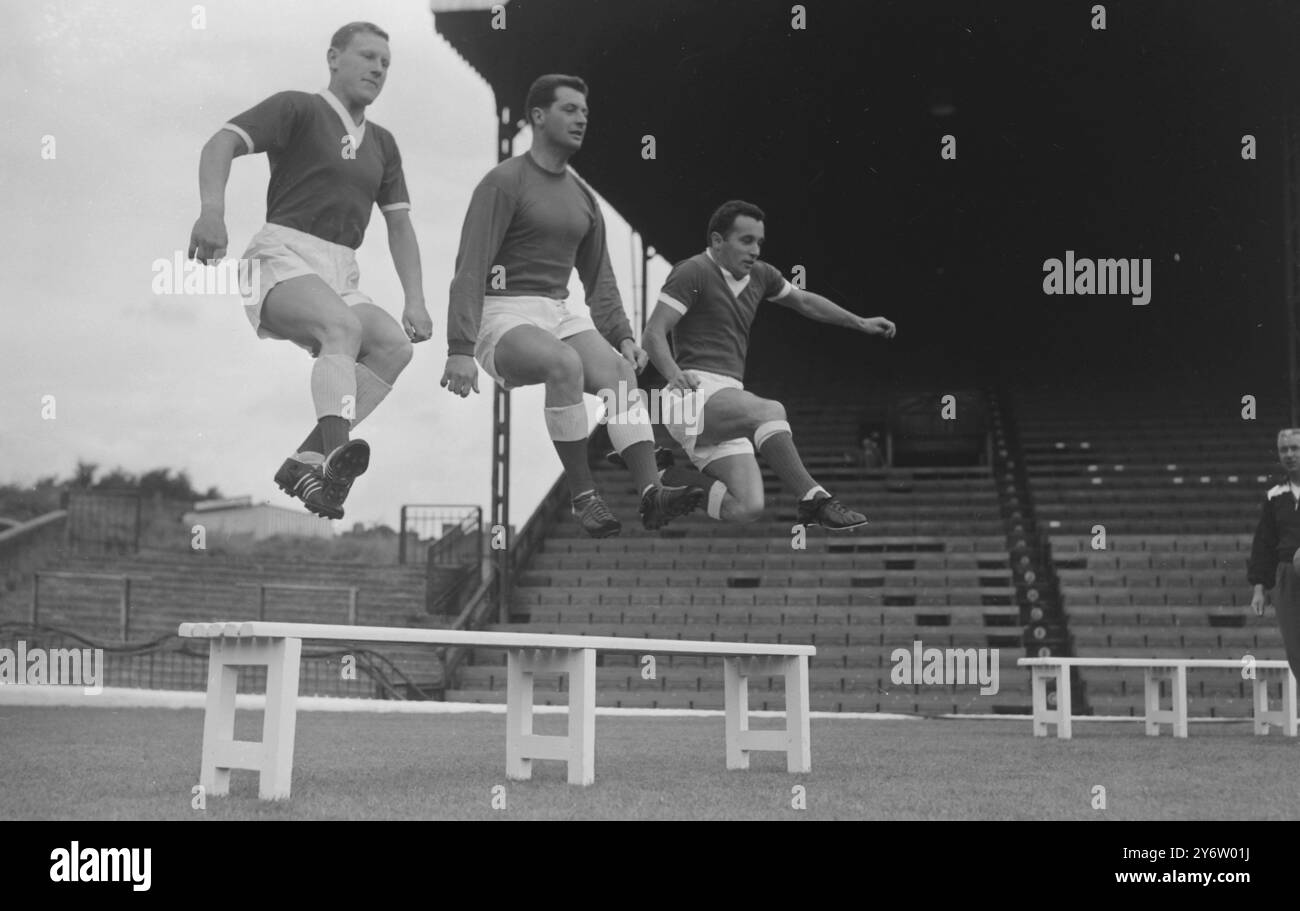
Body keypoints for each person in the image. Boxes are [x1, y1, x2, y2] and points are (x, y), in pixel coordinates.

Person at [440, 74, 703, 537]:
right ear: (538, 116)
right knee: (564, 364)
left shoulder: (582, 197)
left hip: (555, 312)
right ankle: (584, 497)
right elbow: (470, 266)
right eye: (569, 109)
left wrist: (622, 335)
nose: (581, 118)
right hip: (501, 313)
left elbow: (600, 277)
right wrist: (459, 348)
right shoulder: (503, 182)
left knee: (620, 374)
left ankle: (652, 492)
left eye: (585, 111)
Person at [189, 21, 430, 520]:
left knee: (393, 347)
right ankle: (333, 461)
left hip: (341, 270)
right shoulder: (297, 107)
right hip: (278, 254)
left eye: (386, 63)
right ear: (333, 58)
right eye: (367, 56)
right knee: (341, 328)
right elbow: (220, 143)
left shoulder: (383, 143)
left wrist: (415, 299)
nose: (378, 69)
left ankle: (305, 462)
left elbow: (400, 225)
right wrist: (212, 211)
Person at [642, 200, 895, 528]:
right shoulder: (692, 271)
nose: (755, 250)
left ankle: (664, 474)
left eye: (759, 242)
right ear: (717, 241)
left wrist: (859, 322)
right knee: (769, 411)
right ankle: (814, 500)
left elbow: (804, 301)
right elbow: (653, 333)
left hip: (728, 398)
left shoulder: (762, 275)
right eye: (746, 241)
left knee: (746, 507)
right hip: (690, 395)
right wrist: (673, 374)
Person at [1247, 428, 1300, 679]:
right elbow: (1264, 544)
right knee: (1296, 648)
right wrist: (1259, 587)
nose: (1289, 454)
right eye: (1283, 449)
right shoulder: (1274, 495)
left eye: (1295, 448)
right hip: (1287, 574)